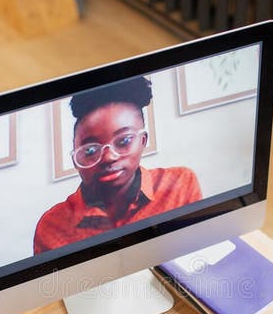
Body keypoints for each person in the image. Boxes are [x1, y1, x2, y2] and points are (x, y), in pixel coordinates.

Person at [34, 76, 202, 253]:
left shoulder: (180, 185)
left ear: (143, 141)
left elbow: (200, 255)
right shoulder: (51, 226)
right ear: (75, 160)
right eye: (90, 150)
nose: (108, 157)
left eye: (124, 141)